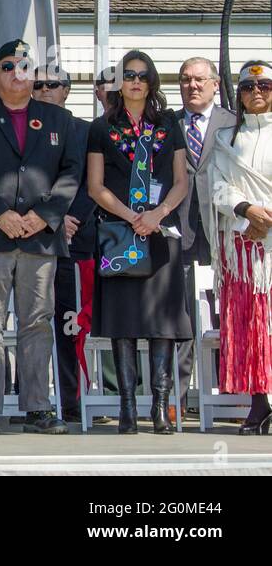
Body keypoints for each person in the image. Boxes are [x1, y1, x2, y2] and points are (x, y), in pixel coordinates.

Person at [0, 39, 80, 435]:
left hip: (40, 238)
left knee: (37, 322)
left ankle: (37, 408)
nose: (18, 71)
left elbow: (71, 173)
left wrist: (44, 215)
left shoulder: (59, 118)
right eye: (8, 66)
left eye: (25, 64)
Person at [86, 50, 190, 435]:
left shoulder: (168, 124)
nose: (135, 81)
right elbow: (95, 187)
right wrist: (133, 218)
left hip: (162, 232)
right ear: (119, 81)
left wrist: (156, 215)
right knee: (123, 323)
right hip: (120, 233)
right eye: (128, 75)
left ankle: (160, 407)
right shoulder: (101, 127)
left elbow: (182, 181)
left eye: (142, 76)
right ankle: (127, 408)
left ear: (152, 83)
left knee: (161, 323)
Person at [199, 59, 272, 435]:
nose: (256, 93)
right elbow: (217, 185)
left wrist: (267, 219)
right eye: (248, 88)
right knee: (249, 325)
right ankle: (259, 405)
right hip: (242, 247)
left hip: (269, 246)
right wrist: (246, 211)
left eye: (265, 87)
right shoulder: (227, 140)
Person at [31, 65, 97, 421]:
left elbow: (94, 182)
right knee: (32, 322)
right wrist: (52, 219)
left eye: (51, 85)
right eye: (37, 85)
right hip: (34, 240)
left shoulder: (86, 131)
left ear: (67, 90)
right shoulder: (23, 129)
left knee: (70, 323)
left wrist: (70, 219)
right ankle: (31, 398)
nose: (43, 90)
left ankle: (72, 400)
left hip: (76, 240)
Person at [172, 57, 235, 418]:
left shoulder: (233, 123)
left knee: (226, 315)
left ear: (214, 84)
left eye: (199, 80)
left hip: (223, 231)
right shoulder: (168, 125)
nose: (192, 86)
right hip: (180, 233)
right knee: (181, 319)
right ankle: (177, 400)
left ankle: (233, 396)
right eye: (185, 80)